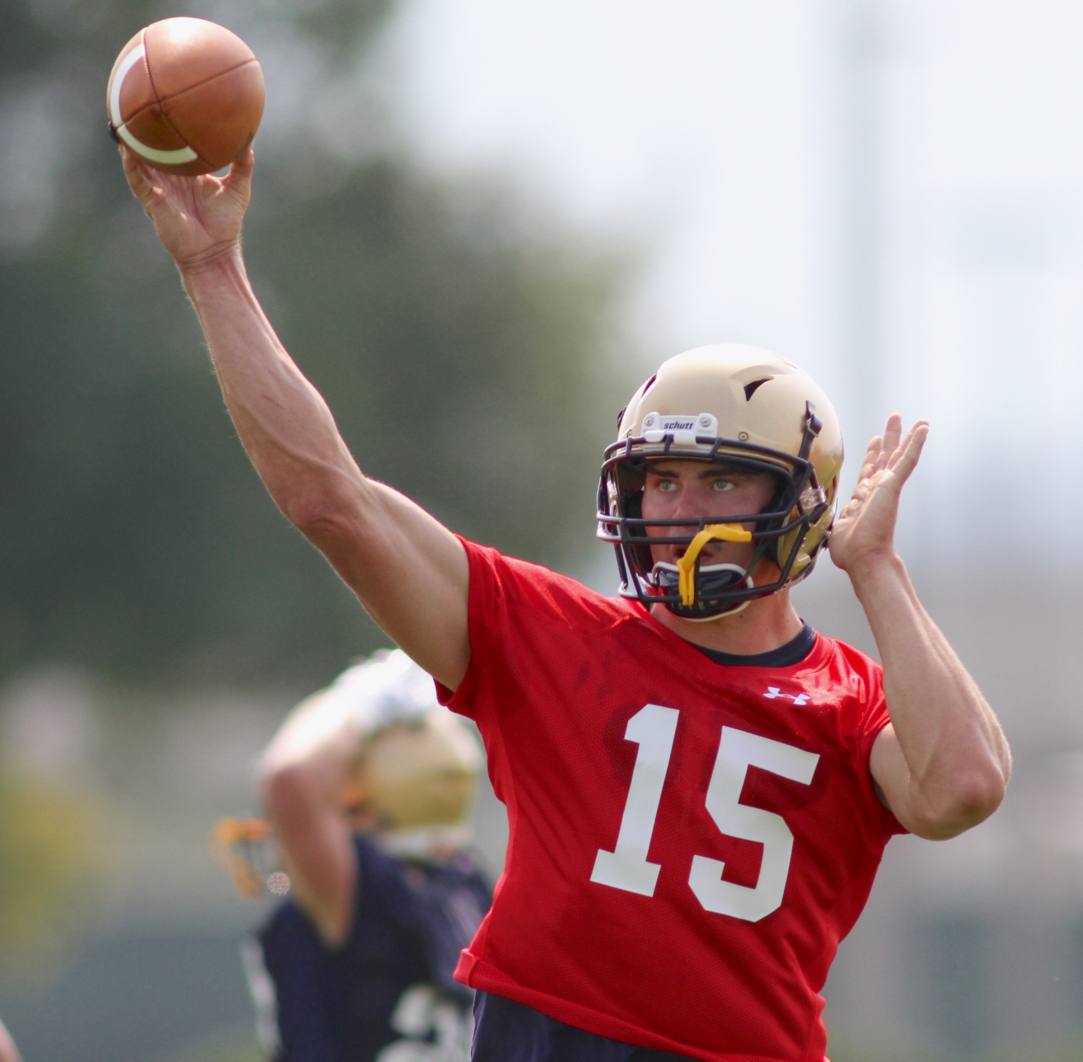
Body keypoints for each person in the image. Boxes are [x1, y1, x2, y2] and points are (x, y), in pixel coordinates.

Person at [123, 146, 1010, 1062]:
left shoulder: (852, 702)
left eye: (719, 482)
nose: (678, 510)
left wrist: (877, 572)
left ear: (800, 506)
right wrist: (212, 267)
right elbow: (332, 500)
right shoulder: (550, 634)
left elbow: (962, 788)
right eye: (659, 480)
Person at [224, 649, 491, 1062]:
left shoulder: (365, 887)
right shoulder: (467, 883)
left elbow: (291, 779)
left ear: (369, 797)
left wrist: (360, 701)